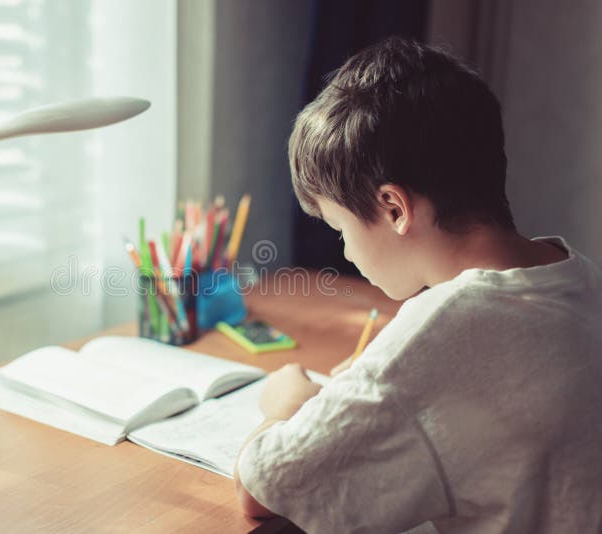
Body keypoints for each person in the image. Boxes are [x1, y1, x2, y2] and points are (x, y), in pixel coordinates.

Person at [234, 36, 602, 533]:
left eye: (341, 230)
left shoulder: (443, 330)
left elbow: (261, 490)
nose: (345, 251)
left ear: (394, 209)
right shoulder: (575, 272)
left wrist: (288, 405)